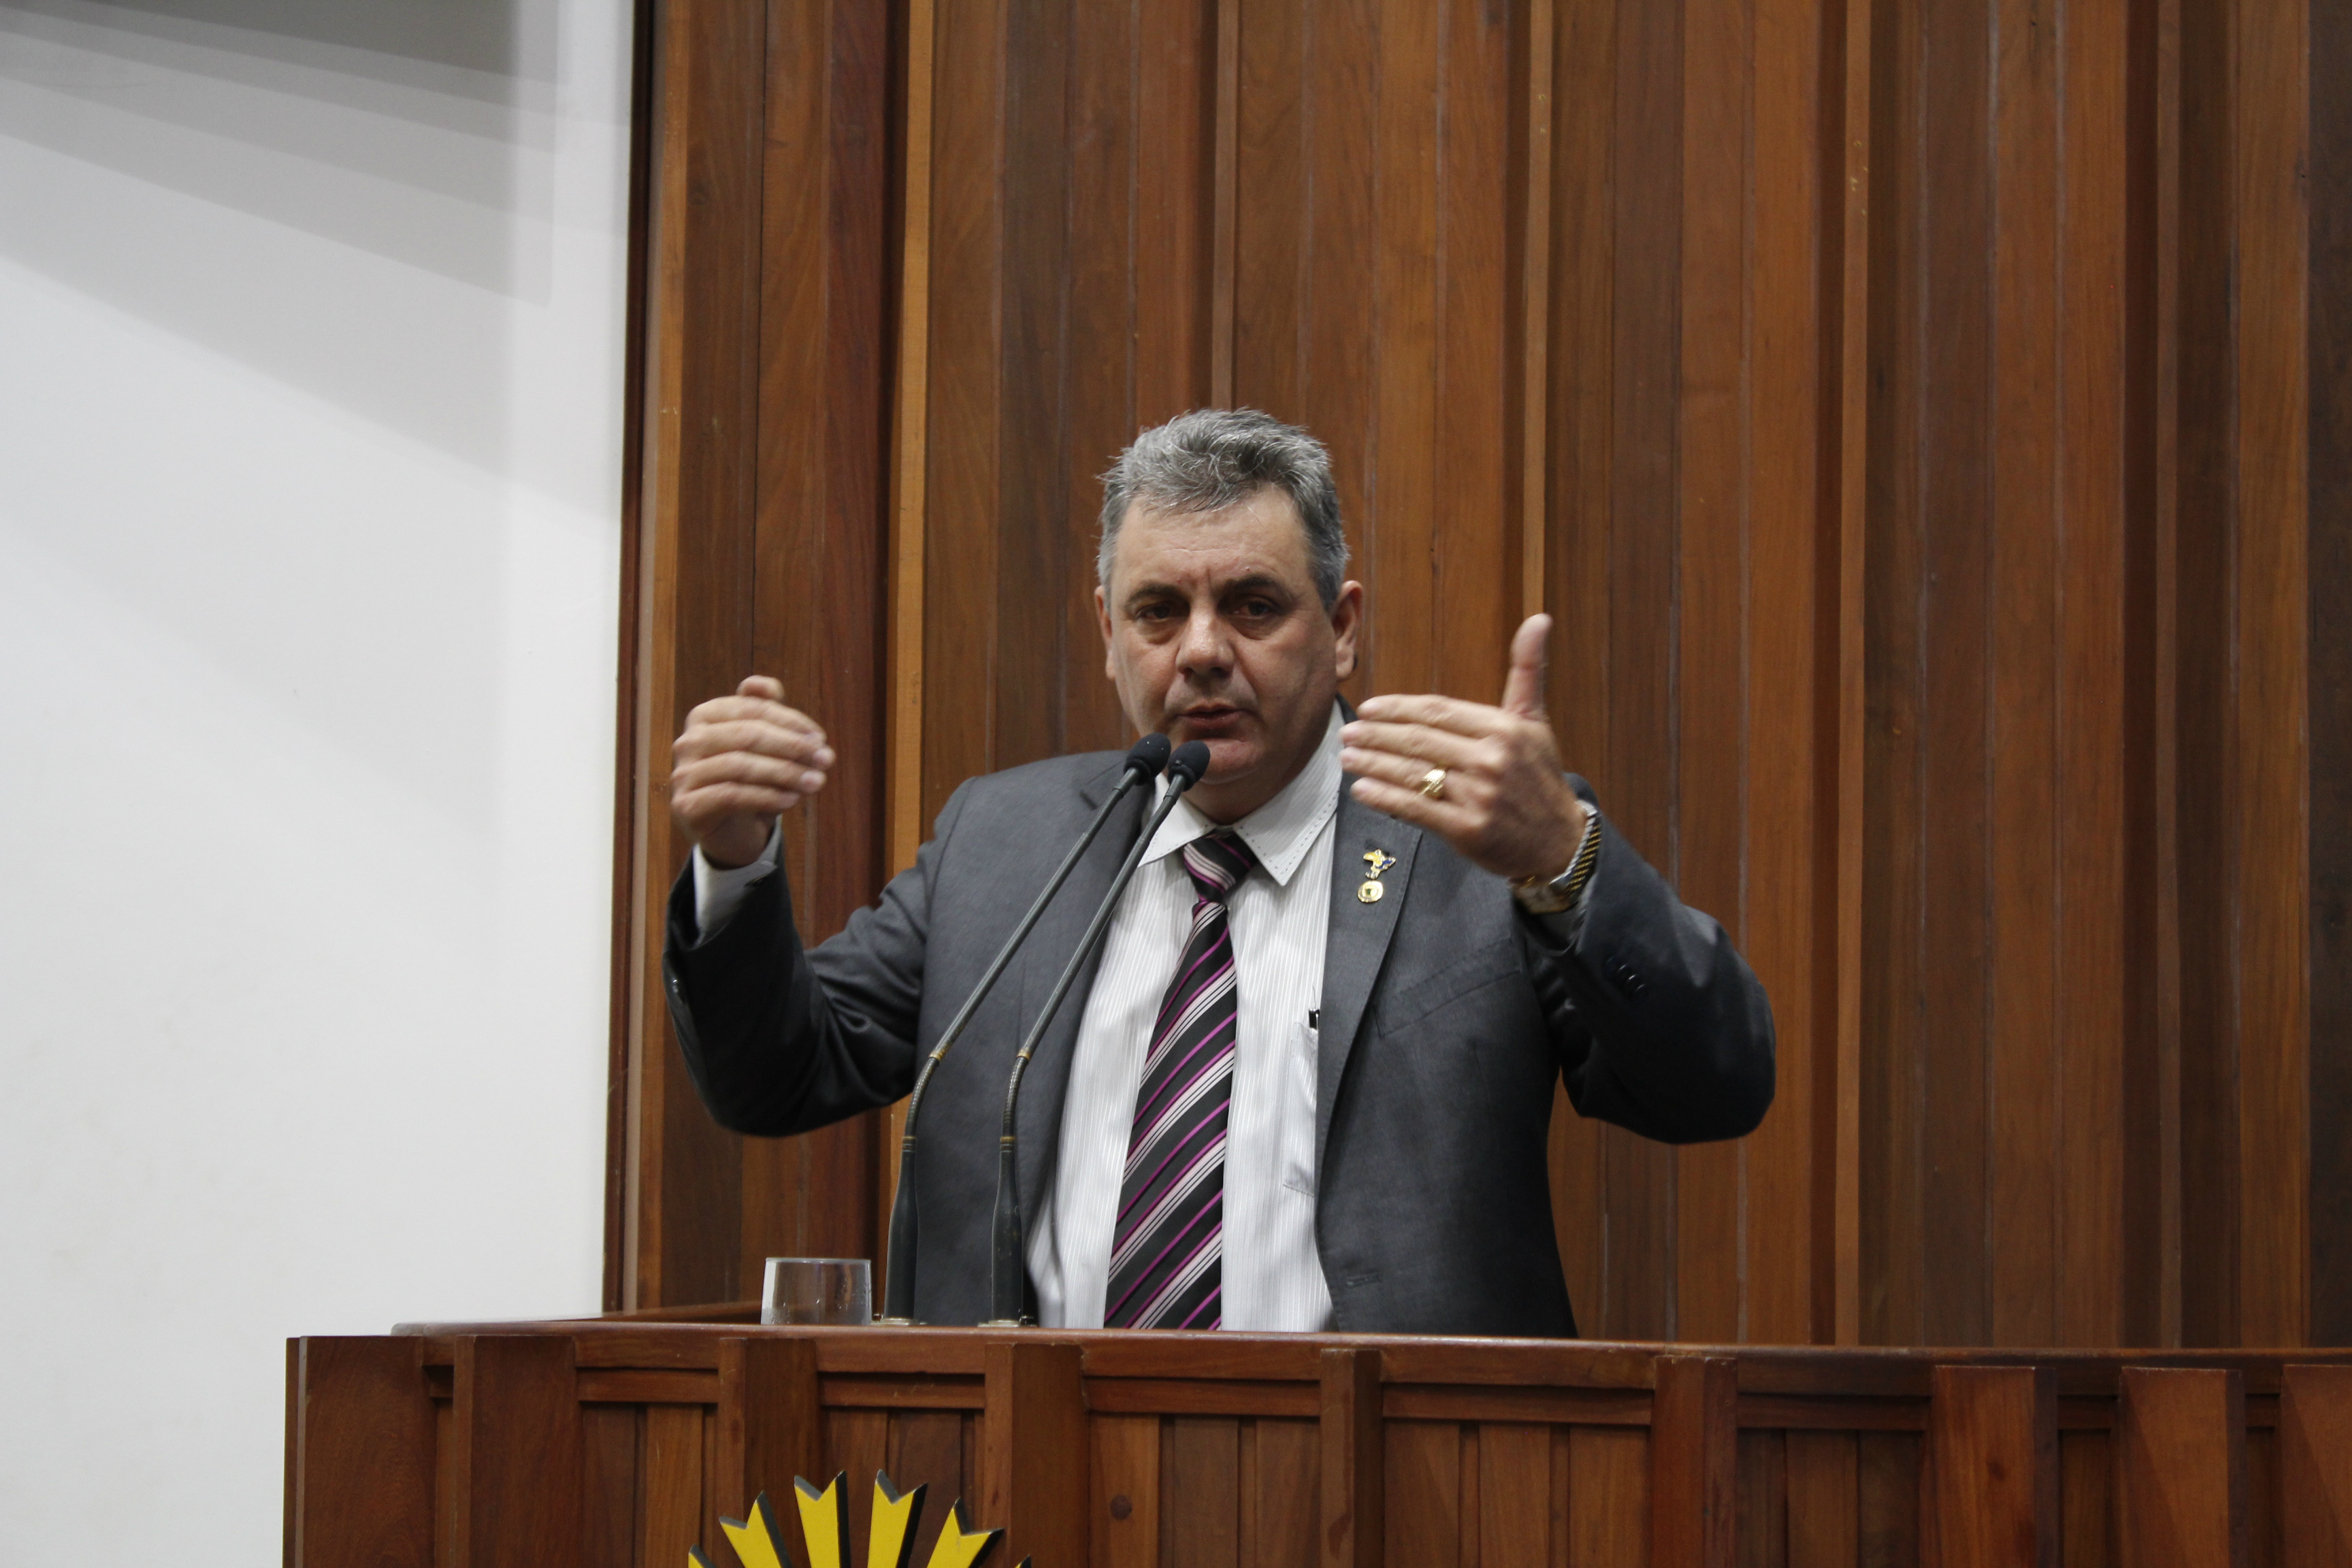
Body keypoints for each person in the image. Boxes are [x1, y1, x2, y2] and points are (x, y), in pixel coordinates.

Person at [663, 408, 1773, 1336]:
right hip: (1026, 1479)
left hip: (1395, 1487)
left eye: (1251, 604)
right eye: (1158, 610)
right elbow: (777, 1075)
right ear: (1108, 632)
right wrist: (734, 862)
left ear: (1340, 629)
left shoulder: (1475, 846)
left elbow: (1712, 1087)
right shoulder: (1005, 845)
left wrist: (1566, 862)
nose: (1199, 649)